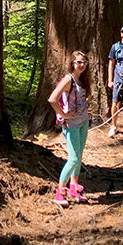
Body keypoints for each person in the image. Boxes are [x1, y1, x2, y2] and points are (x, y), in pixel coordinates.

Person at [48, 50, 91, 205]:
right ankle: (60, 192)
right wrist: (64, 115)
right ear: (72, 63)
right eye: (79, 62)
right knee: (72, 159)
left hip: (83, 122)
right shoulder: (68, 79)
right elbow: (52, 99)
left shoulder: (82, 80)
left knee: (78, 157)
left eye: (84, 62)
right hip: (71, 125)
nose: (82, 65)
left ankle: (74, 187)